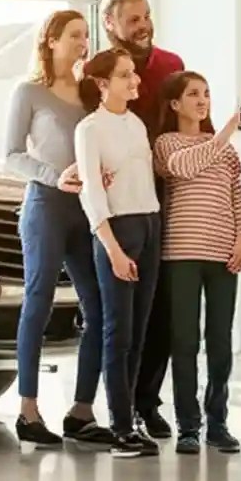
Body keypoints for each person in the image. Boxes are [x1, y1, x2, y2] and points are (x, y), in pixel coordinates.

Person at [3, 10, 113, 447]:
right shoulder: (29, 92)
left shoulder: (91, 94)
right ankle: (28, 412)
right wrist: (54, 176)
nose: (83, 43)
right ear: (51, 41)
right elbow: (11, 155)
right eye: (74, 35)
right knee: (38, 303)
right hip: (46, 207)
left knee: (100, 307)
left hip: (87, 210)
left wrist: (103, 173)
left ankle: (81, 411)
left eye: (86, 35)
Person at [152, 71, 241, 455]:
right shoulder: (166, 144)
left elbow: (238, 199)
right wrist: (227, 130)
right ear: (175, 104)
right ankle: (188, 425)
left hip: (223, 257)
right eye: (194, 94)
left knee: (221, 344)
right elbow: (184, 166)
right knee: (185, 342)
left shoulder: (223, 148)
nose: (202, 100)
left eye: (206, 94)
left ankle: (218, 423)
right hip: (181, 255)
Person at [102, 0, 185, 439]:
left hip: (164, 197)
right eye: (133, 19)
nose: (144, 24)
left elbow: (192, 122)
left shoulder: (171, 64)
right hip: (117, 204)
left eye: (147, 15)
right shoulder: (100, 70)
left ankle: (146, 402)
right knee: (121, 313)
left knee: (162, 306)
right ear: (111, 25)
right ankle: (118, 405)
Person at [73, 47, 163, 458]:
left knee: (139, 332)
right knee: (118, 332)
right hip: (118, 231)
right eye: (126, 75)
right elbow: (91, 193)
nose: (135, 81)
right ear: (103, 83)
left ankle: (130, 422)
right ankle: (121, 429)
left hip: (149, 224)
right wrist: (111, 249)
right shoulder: (89, 129)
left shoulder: (137, 124)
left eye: (133, 74)